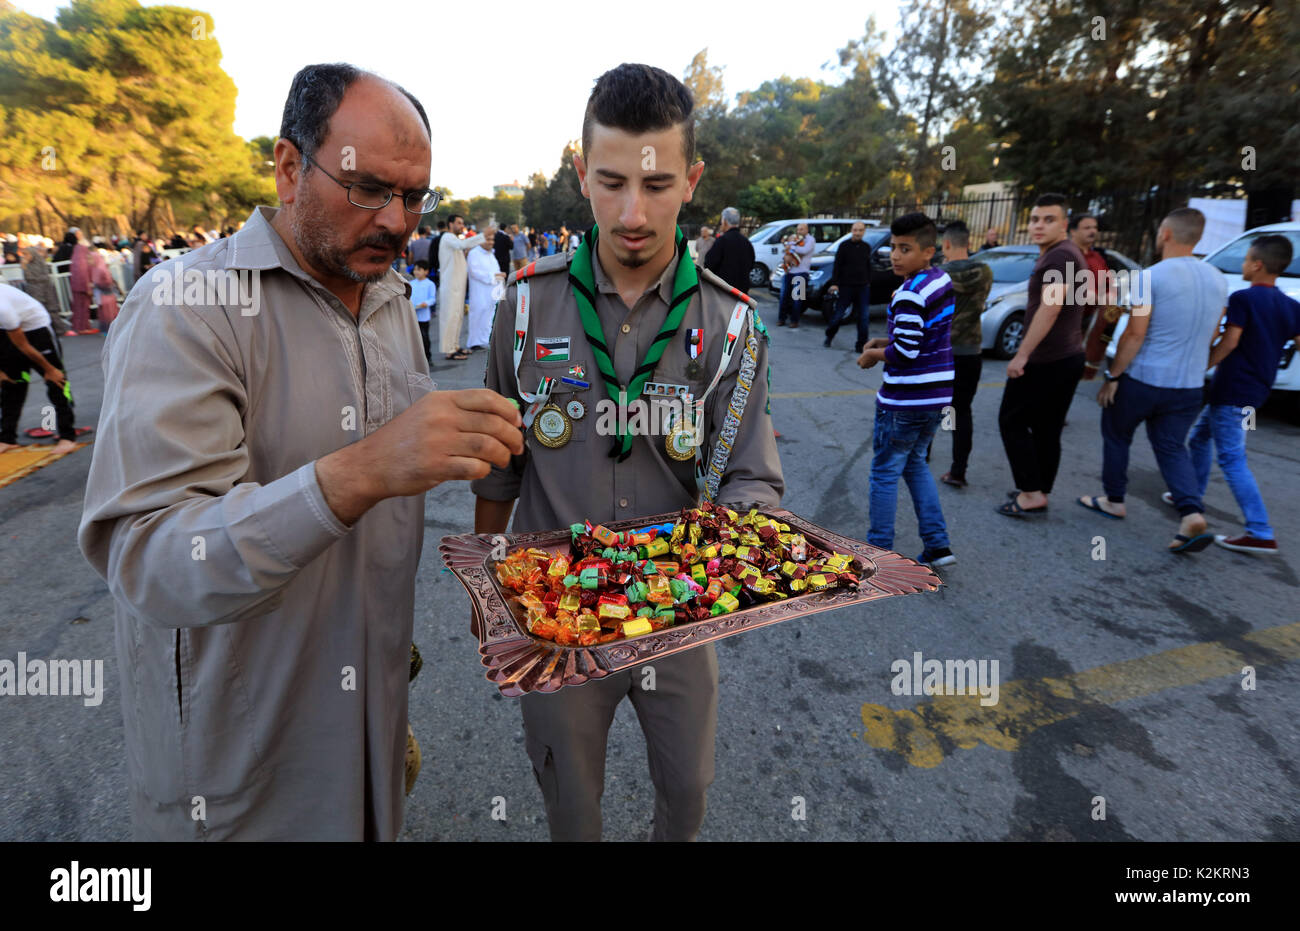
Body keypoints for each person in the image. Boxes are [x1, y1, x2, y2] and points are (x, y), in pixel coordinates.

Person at [77, 63, 523, 841]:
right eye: (368, 188)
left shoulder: (385, 300)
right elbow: (148, 557)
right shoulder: (187, 309)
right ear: (289, 168)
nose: (396, 220)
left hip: (369, 727)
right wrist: (359, 471)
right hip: (246, 767)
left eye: (414, 196)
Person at [472, 62, 783, 842]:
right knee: (570, 809)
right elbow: (500, 463)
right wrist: (489, 595)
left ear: (692, 180)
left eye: (656, 184)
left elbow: (749, 471)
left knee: (687, 796)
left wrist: (747, 539)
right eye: (610, 182)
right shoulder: (525, 307)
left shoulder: (733, 324)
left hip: (678, 620)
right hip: (557, 621)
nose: (633, 211)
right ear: (581, 174)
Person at [1075, 207, 1226, 552]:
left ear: (1167, 234)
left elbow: (1134, 335)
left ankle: (1114, 499)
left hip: (1144, 379)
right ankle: (1191, 514)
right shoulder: (1218, 279)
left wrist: (1113, 376)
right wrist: (1200, 367)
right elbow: (1217, 333)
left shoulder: (1149, 277)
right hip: (1188, 385)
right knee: (1173, 447)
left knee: (1116, 433)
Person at [1189, 234, 1300, 554]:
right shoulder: (1291, 306)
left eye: (1245, 259)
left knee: (1232, 458)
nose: (1243, 265)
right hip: (1258, 389)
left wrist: (1200, 368)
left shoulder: (1243, 299)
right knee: (1199, 437)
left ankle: (1260, 530)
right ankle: (1191, 498)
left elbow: (1230, 341)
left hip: (1233, 388)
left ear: (1257, 264)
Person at [857, 212, 955, 567]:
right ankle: (938, 545)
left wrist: (874, 356)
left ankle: (877, 552)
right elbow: (926, 335)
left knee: (884, 472)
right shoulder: (938, 281)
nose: (895, 256)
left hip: (904, 400)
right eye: (894, 248)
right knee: (915, 465)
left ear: (928, 251)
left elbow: (907, 352)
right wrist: (885, 339)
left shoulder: (909, 293)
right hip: (936, 397)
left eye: (906, 249)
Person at [996, 193, 1087, 517]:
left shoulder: (1059, 257)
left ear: (1063, 223)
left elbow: (1050, 309)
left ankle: (1031, 492)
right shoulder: (1066, 253)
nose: (1038, 225)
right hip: (1066, 356)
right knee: (1047, 428)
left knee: (1011, 421)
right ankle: (1037, 490)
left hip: (1048, 359)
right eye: (1035, 219)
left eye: (1048, 219)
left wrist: (1022, 355)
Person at [936, 220, 992, 488]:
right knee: (962, 411)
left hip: (941, 352)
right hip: (971, 351)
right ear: (968, 243)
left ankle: (920, 458)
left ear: (946, 244)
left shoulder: (939, 274)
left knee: (932, 406)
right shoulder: (985, 272)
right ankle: (958, 471)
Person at [0, 282, 76, 454]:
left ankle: (67, 436)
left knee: (56, 381)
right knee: (12, 383)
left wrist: (49, 369)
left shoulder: (3, 309)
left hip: (36, 329)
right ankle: (7, 438)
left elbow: (24, 346)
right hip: (7, 332)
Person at [437, 213, 485, 361]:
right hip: (450, 284)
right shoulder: (447, 237)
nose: (461, 226)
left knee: (457, 316)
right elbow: (463, 245)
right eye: (459, 223)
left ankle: (455, 346)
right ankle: (449, 350)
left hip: (457, 284)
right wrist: (484, 235)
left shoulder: (454, 239)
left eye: (462, 223)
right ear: (450, 224)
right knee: (450, 317)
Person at [823, 221, 873, 352]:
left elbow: (868, 266)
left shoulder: (866, 247)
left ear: (863, 232)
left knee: (864, 317)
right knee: (838, 315)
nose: (857, 233)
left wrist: (868, 281)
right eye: (855, 230)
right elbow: (837, 266)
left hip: (863, 287)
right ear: (851, 231)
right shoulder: (843, 246)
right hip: (846, 287)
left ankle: (861, 344)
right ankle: (829, 336)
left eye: (860, 230)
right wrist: (835, 284)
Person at [466, 223, 503, 351]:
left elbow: (496, 272)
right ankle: (475, 342)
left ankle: (487, 340)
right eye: (488, 239)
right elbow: (474, 272)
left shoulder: (491, 254)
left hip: (493, 291)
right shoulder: (474, 253)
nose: (491, 242)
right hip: (480, 291)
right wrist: (494, 275)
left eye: (492, 239)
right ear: (481, 239)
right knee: (479, 314)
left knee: (491, 315)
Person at [702, 206, 755, 293]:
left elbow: (709, 264)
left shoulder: (722, 241)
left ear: (725, 222)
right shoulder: (746, 242)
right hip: (742, 295)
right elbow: (751, 264)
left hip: (724, 294)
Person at [777, 223, 815, 328]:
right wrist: (788, 247)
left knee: (797, 298)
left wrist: (791, 245)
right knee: (783, 297)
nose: (799, 231)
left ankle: (795, 321)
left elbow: (804, 250)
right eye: (798, 229)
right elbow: (786, 251)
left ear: (807, 230)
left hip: (802, 272)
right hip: (789, 271)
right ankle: (781, 319)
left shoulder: (810, 240)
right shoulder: (794, 238)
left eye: (802, 229)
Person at [409, 259, 436, 365]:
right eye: (415, 269)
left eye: (419, 270)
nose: (416, 272)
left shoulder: (430, 284)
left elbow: (432, 299)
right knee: (413, 337)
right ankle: (415, 358)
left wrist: (426, 303)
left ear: (426, 271)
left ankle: (427, 357)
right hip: (413, 314)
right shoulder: (411, 283)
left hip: (424, 315)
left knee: (424, 337)